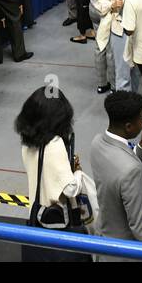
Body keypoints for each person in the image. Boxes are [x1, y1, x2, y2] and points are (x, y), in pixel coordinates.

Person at [16, 87, 97, 261]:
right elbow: (70, 189)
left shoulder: (27, 142)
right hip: (60, 221)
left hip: (36, 214)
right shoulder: (55, 143)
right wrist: (78, 173)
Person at [88, 90, 142, 256]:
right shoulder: (133, 172)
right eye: (141, 120)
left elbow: (118, 167)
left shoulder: (97, 143)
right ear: (129, 127)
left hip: (103, 240)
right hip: (125, 253)